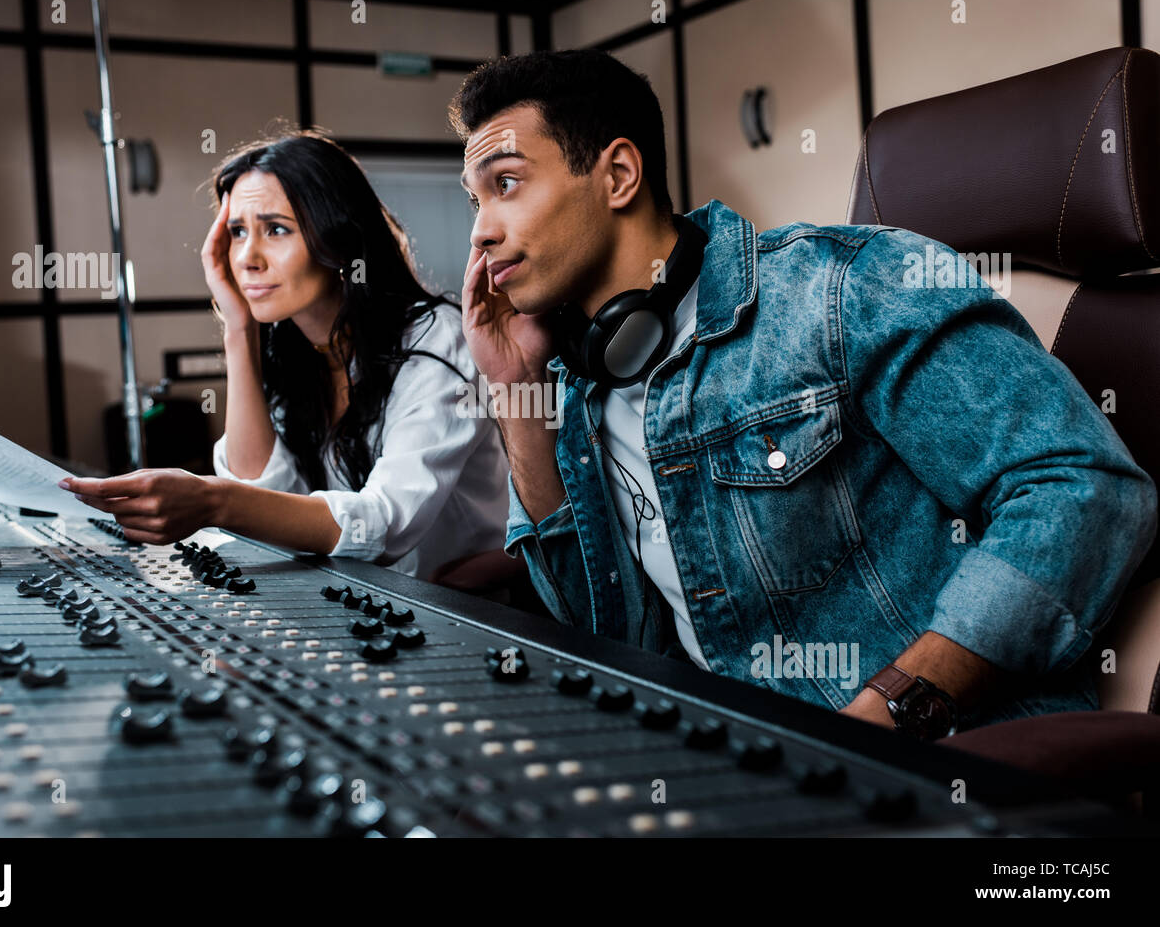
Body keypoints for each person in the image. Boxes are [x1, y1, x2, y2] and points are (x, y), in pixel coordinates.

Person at [450, 49, 1157, 733]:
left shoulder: (845, 290)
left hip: (929, 761)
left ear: (619, 175)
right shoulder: (573, 378)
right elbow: (602, 631)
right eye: (474, 198)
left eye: (506, 183)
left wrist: (892, 708)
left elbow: (1084, 491)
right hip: (728, 757)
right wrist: (517, 387)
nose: (481, 231)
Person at [59, 131, 509, 581]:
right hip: (364, 598)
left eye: (275, 229)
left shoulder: (438, 338)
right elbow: (270, 501)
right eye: (237, 232)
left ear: (339, 239)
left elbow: (384, 524)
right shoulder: (289, 345)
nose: (248, 258)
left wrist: (215, 501)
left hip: (463, 610)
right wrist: (238, 329)